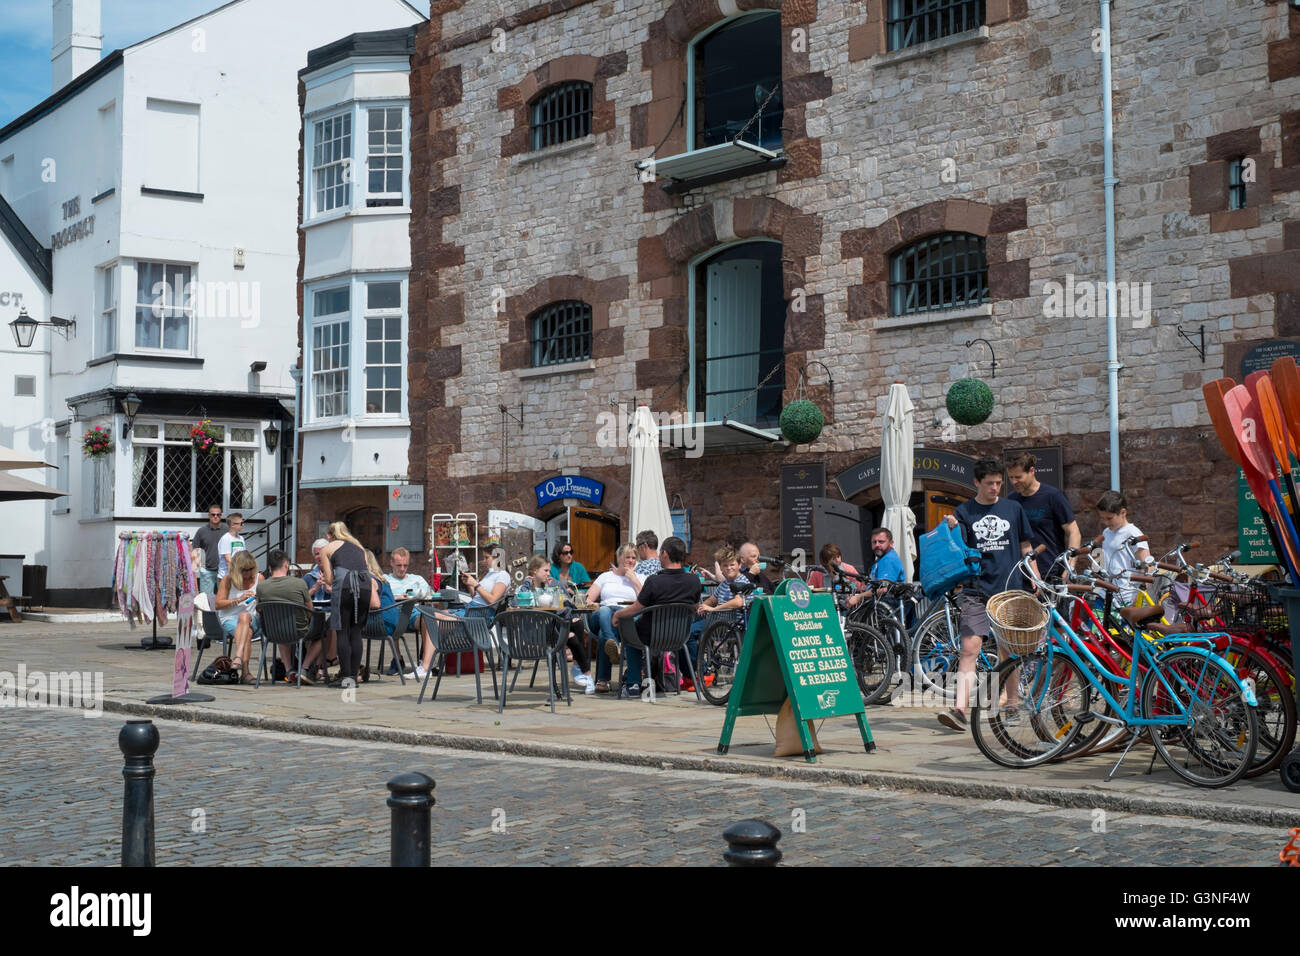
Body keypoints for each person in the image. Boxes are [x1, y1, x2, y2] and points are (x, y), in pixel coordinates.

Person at [938, 458, 1035, 732]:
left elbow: (1026, 545)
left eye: (998, 483)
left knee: (1010, 650)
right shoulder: (964, 511)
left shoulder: (1013, 508)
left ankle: (1012, 703)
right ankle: (959, 710)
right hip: (976, 589)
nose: (995, 488)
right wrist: (952, 528)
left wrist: (1034, 576)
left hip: (1009, 589)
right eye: (989, 483)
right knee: (969, 648)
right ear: (977, 483)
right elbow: (957, 549)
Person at [613, 536, 701, 699]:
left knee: (628, 628)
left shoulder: (654, 581)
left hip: (650, 638)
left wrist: (618, 614)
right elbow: (695, 608)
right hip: (680, 637)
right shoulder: (694, 580)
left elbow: (636, 608)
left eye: (661, 553)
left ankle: (633, 684)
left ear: (665, 554)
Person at [517, 555, 595, 692]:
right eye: (545, 571)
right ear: (535, 571)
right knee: (570, 635)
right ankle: (585, 673)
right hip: (538, 630)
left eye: (549, 571)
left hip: (557, 624)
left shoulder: (554, 584)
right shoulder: (525, 589)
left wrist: (574, 616)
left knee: (577, 624)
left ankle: (580, 668)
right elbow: (520, 607)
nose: (548, 574)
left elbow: (568, 604)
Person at [319, 521, 377, 689]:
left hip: (345, 585)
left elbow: (329, 579)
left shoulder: (327, 549)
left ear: (329, 536)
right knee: (356, 631)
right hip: (365, 585)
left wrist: (326, 582)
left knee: (342, 630)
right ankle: (353, 675)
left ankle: (345, 677)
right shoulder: (359, 547)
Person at [1006, 452, 1080, 579]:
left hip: (1052, 572)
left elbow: (1074, 532)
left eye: (1018, 477)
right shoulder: (1012, 500)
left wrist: (1070, 566)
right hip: (1023, 574)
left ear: (1032, 471)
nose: (1014, 482)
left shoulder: (1053, 496)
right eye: (1011, 477)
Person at [687, 545, 752, 689]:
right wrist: (702, 606)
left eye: (732, 565)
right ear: (720, 568)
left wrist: (714, 609)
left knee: (688, 634)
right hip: (718, 620)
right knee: (690, 625)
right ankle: (701, 670)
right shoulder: (724, 584)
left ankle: (703, 671)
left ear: (740, 565)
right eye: (725, 566)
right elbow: (713, 598)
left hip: (731, 622)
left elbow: (738, 602)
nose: (729, 568)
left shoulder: (742, 581)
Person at [586, 545, 643, 692]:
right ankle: (632, 681)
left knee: (610, 634)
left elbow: (645, 600)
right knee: (605, 610)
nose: (630, 561)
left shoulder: (641, 577)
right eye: (627, 557)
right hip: (601, 616)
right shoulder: (605, 577)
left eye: (633, 557)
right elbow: (587, 599)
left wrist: (635, 581)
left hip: (626, 618)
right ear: (619, 558)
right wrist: (594, 604)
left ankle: (603, 681)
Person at [256, 549, 314, 683]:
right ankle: (305, 668)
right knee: (323, 631)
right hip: (299, 630)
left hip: (273, 631)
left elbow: (259, 609)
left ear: (270, 568)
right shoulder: (299, 583)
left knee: (280, 625)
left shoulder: (261, 587)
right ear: (286, 565)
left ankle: (289, 670)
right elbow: (310, 610)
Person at [215, 550, 263, 684]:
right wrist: (239, 599)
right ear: (236, 569)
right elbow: (218, 604)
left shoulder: (259, 578)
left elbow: (263, 604)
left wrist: (259, 599)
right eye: (244, 570)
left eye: (250, 569)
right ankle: (246, 673)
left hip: (252, 618)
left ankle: (238, 656)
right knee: (246, 631)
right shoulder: (228, 579)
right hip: (229, 617)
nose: (247, 573)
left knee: (245, 616)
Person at [1096, 490, 1151, 606]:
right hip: (1105, 594)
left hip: (1126, 597)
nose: (1106, 522)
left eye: (1109, 518)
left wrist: (1139, 596)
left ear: (1123, 512)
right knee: (1096, 624)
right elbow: (1104, 559)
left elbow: (1147, 568)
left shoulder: (1133, 534)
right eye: (1103, 518)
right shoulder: (1106, 532)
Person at [386, 546, 433, 676]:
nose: (402, 569)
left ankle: (425, 660)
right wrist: (397, 597)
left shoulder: (417, 579)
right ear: (391, 563)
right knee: (389, 617)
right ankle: (398, 659)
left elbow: (431, 596)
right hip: (395, 612)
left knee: (427, 618)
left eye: (405, 565)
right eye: (399, 565)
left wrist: (422, 596)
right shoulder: (385, 579)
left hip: (414, 613)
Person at [806, 543, 866, 608]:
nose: (838, 560)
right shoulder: (817, 573)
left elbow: (858, 586)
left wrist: (852, 589)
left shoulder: (849, 569)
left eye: (838, 556)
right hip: (826, 608)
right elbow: (809, 591)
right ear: (825, 562)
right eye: (834, 559)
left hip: (847, 608)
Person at [192, 504, 225, 594]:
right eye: (213, 514)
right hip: (207, 571)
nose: (215, 517)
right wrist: (200, 566)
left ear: (221, 516)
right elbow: (194, 549)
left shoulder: (226, 530)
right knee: (205, 600)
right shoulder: (202, 531)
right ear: (209, 516)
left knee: (224, 599)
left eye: (218, 515)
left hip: (223, 571)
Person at [217, 513, 247, 578]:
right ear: (233, 525)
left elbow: (244, 556)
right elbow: (228, 561)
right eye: (241, 523)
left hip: (239, 575)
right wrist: (235, 577)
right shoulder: (226, 538)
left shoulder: (241, 538)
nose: (243, 525)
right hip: (226, 577)